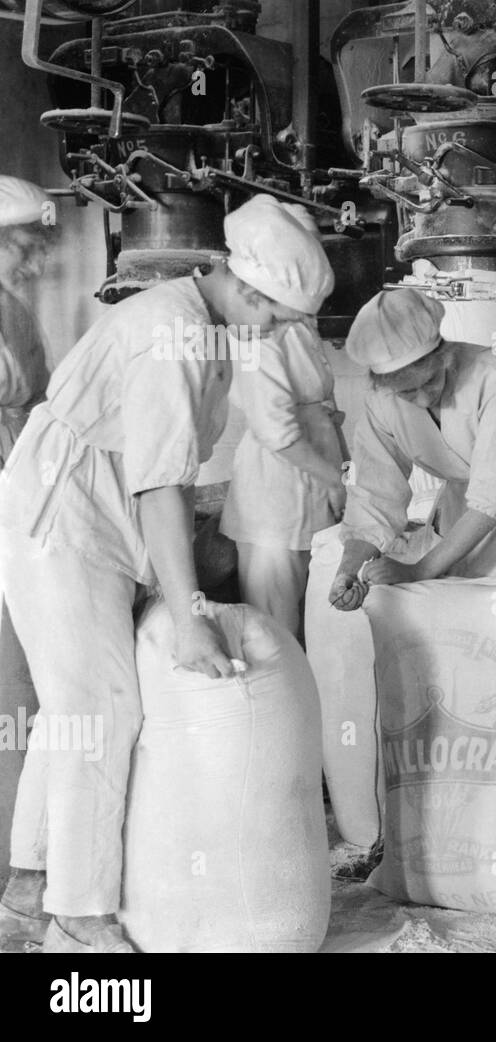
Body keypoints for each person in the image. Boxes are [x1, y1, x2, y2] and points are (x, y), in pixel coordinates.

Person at [0, 193, 333, 952]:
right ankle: (79, 914)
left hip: (99, 508)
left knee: (72, 702)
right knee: (103, 706)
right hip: (66, 516)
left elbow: (165, 469)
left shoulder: (205, 323)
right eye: (276, 318)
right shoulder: (173, 334)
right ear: (247, 288)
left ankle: (30, 881)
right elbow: (158, 486)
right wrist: (187, 616)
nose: (277, 334)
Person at [328, 287, 496, 609]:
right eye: (407, 393)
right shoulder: (380, 401)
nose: (423, 398)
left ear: (444, 356)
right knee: (467, 625)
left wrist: (421, 569)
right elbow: (374, 493)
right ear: (382, 385)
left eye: (430, 382)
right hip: (466, 512)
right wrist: (347, 569)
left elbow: (493, 496)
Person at [220, 208, 347, 641]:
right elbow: (277, 432)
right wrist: (336, 481)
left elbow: (320, 408)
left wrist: (343, 470)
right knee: (275, 627)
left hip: (311, 483)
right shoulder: (256, 332)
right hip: (275, 496)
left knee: (307, 618)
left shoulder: (298, 326)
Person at [0, 176, 55, 467]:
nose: (38, 266)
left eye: (43, 251)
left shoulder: (15, 311)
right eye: (26, 248)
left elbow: (37, 400)